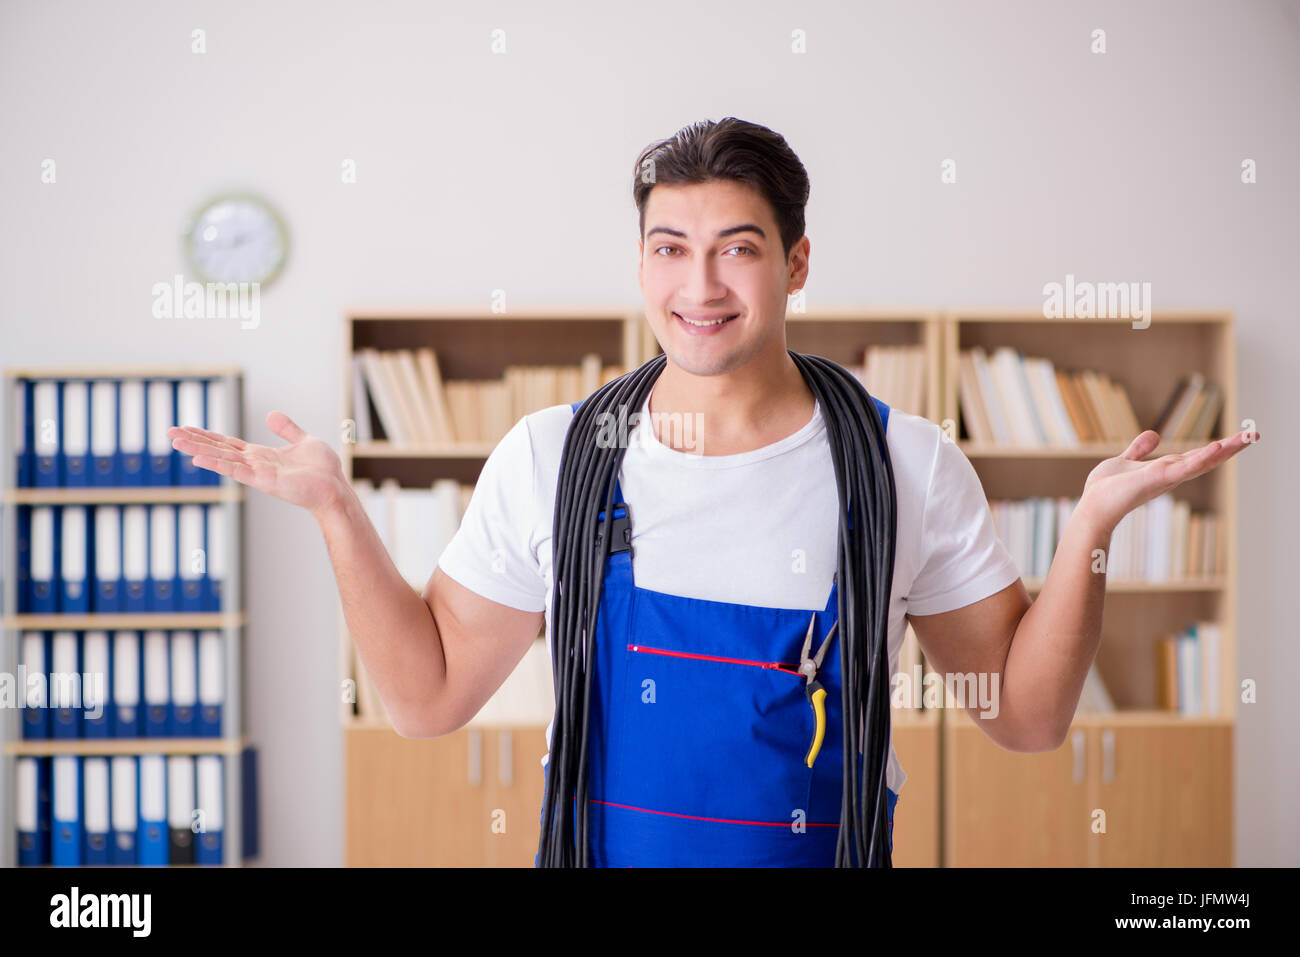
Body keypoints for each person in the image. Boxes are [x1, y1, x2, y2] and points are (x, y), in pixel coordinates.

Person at [169, 117, 1257, 867]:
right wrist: (338, 514)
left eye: (737, 249)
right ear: (640, 265)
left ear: (795, 263)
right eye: (669, 248)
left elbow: (1021, 719)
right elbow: (425, 701)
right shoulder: (556, 457)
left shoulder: (904, 465)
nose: (700, 286)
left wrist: (1093, 533)